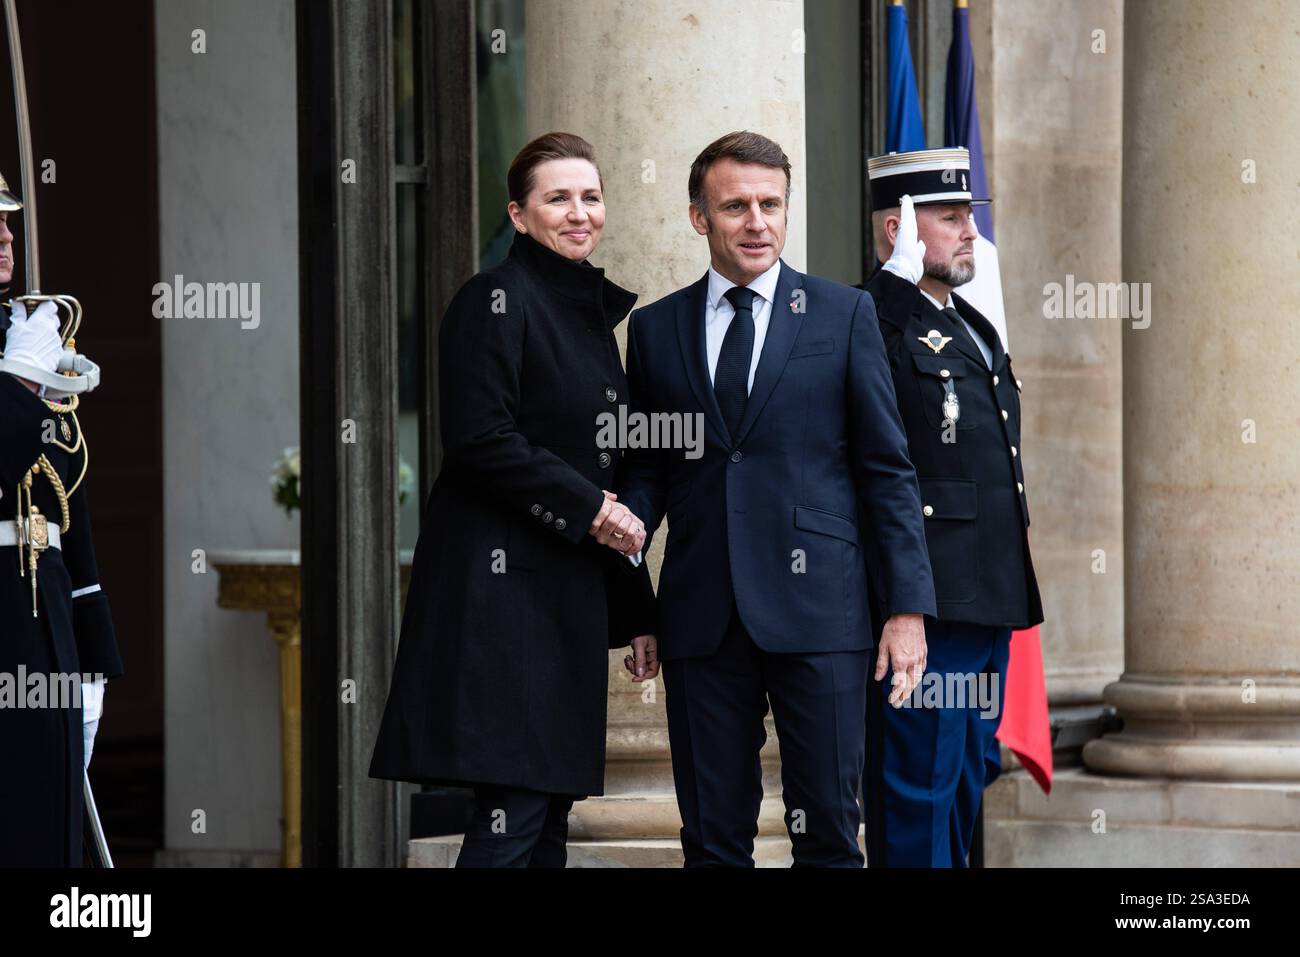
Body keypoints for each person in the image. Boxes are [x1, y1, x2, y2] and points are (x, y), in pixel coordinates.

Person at [604, 131, 935, 867]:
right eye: (735, 206)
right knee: (713, 842)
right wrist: (634, 597)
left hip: (823, 615)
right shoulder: (655, 331)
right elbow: (648, 470)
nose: (756, 221)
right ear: (700, 217)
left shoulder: (842, 315)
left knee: (826, 836)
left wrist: (906, 609)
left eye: (771, 204)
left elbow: (888, 470)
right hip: (700, 616)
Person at [369, 132, 657, 868]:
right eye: (557, 198)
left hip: (563, 607)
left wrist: (636, 612)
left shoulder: (586, 315)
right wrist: (594, 509)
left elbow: (607, 467)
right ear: (519, 215)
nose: (578, 212)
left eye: (589, 196)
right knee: (514, 821)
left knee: (544, 823)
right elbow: (480, 437)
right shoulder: (493, 300)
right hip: (501, 608)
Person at [859, 147, 1043, 867]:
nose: (971, 231)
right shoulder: (876, 317)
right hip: (931, 602)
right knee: (920, 788)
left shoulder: (971, 322)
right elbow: (854, 373)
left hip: (986, 599)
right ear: (896, 230)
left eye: (971, 214)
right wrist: (893, 281)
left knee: (967, 774)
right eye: (950, 216)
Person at [0, 171, 122, 866]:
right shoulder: (18, 356)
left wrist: (93, 654)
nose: (6, 234)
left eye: (9, 221)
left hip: (42, 611)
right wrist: (17, 382)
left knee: (54, 831)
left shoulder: (20, 335)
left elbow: (63, 497)